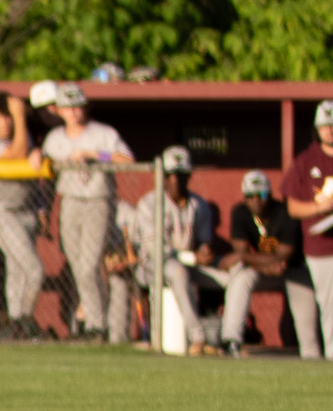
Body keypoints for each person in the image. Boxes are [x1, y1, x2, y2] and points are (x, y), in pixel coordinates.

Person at [113, 146, 242, 355]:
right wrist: (193, 256)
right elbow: (154, 251)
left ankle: (228, 339)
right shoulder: (149, 203)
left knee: (235, 276)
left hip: (189, 264)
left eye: (181, 175)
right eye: (170, 174)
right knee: (176, 270)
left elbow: (203, 241)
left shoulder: (198, 204)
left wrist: (205, 251)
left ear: (189, 175)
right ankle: (197, 336)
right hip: (151, 267)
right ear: (162, 176)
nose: (175, 180)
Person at [34, 82, 133, 342]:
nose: (74, 112)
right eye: (69, 108)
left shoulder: (102, 133)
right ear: (60, 111)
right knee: (77, 265)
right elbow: (42, 167)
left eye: (78, 107)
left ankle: (97, 325)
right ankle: (93, 323)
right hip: (70, 202)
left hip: (98, 200)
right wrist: (36, 155)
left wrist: (94, 154)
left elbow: (128, 160)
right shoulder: (55, 139)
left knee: (89, 266)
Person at [0, 91, 45, 336]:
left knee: (17, 273)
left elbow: (30, 164)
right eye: (1, 117)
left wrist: (41, 207)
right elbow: (16, 155)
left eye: (10, 117)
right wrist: (20, 115)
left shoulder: (24, 138)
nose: (7, 122)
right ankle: (24, 321)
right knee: (34, 269)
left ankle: (16, 326)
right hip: (3, 213)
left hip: (27, 212)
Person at [225, 170, 317, 358]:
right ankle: (230, 340)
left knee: (309, 335)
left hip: (292, 270)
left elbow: (284, 256)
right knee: (241, 278)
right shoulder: (240, 212)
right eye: (250, 196)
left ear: (270, 195)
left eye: (262, 195)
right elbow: (241, 251)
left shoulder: (284, 213)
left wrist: (246, 257)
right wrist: (259, 263)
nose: (256, 200)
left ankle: (311, 354)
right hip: (262, 270)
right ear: (244, 197)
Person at [281, 99, 333, 356]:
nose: (330, 130)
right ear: (317, 128)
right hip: (321, 246)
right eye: (325, 125)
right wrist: (319, 208)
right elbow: (292, 208)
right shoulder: (305, 161)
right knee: (330, 304)